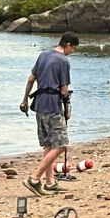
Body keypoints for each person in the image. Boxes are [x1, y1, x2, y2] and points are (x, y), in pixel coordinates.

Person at [20, 32, 79, 192]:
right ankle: (35, 178)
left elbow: (31, 79)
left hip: (39, 104)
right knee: (61, 145)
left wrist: (25, 100)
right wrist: (67, 110)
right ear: (68, 45)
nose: (72, 52)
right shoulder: (64, 61)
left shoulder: (43, 55)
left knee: (48, 144)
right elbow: (64, 90)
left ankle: (50, 182)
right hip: (53, 106)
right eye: (73, 48)